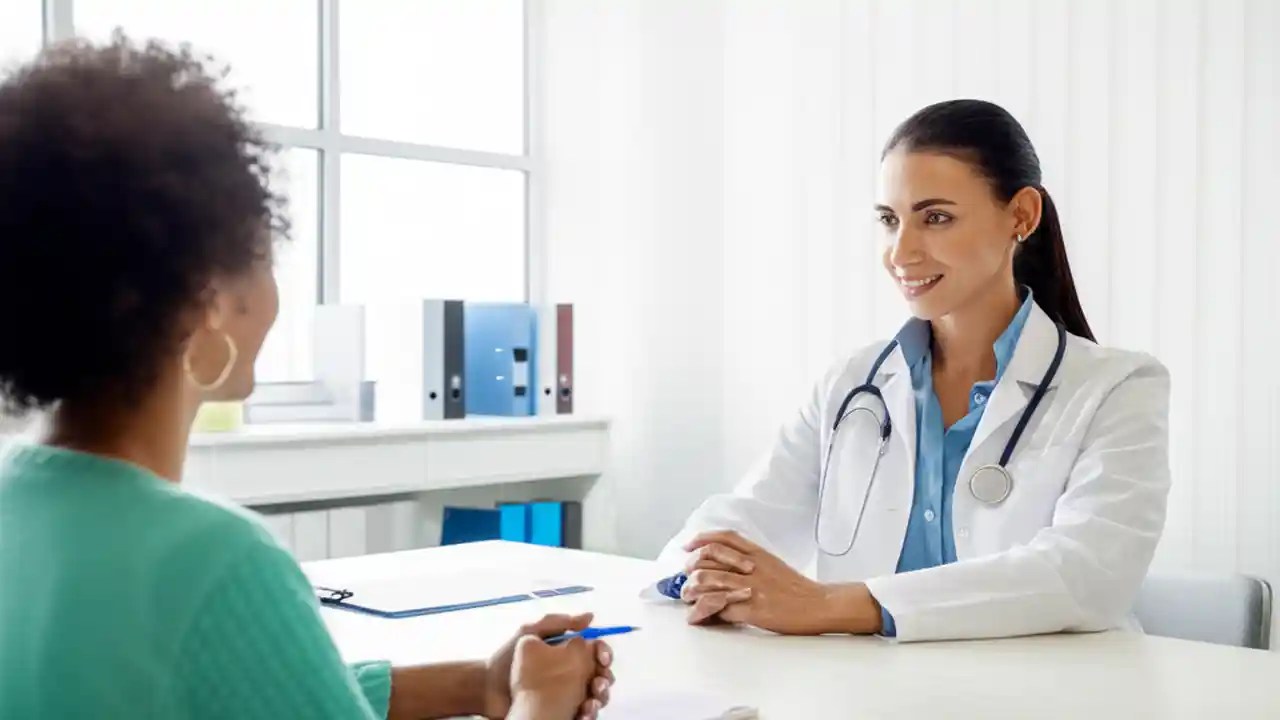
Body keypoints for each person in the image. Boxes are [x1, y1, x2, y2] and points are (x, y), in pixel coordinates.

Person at [0, 37, 613, 719]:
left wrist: (477, 684)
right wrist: (539, 704)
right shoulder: (215, 562)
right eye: (260, 257)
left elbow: (236, 687)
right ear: (208, 298)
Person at [653, 99, 1171, 643]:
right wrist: (700, 575)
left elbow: (1085, 575)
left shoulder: (1118, 388)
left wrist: (831, 604)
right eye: (889, 220)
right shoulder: (854, 384)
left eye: (936, 218)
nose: (900, 252)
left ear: (1021, 216)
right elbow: (747, 517)